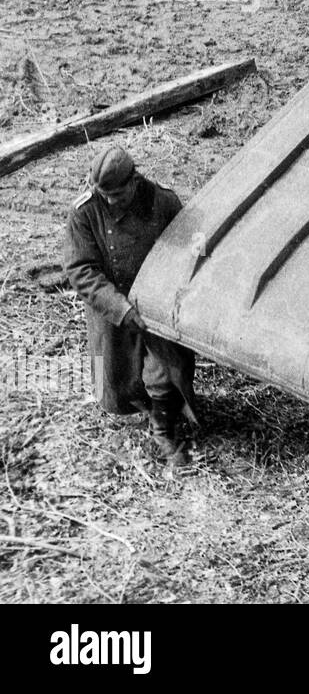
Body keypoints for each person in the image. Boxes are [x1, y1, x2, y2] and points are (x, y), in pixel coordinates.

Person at [62, 146, 198, 466]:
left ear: (134, 180)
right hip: (110, 303)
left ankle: (164, 428)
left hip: (156, 301)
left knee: (167, 369)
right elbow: (80, 269)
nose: (110, 202)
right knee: (116, 377)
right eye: (104, 194)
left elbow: (187, 250)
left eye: (118, 194)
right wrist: (119, 308)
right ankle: (138, 402)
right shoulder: (84, 211)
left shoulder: (162, 201)